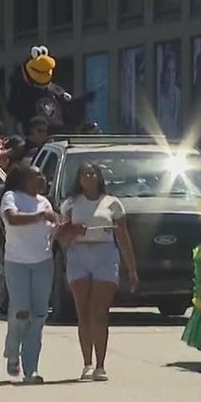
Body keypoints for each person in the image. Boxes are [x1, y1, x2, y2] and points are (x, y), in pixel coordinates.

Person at [59, 163, 138, 382]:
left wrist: (131, 269)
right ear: (78, 179)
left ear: (99, 177)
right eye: (84, 174)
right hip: (79, 254)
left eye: (92, 174)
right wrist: (73, 230)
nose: (89, 177)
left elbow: (123, 237)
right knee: (83, 311)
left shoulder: (112, 203)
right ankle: (87, 363)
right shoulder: (71, 204)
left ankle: (100, 365)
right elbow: (60, 236)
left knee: (99, 312)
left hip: (105, 254)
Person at [0, 164, 58, 383]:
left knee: (39, 315)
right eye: (36, 176)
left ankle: (31, 368)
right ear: (24, 180)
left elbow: (53, 228)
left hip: (43, 261)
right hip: (17, 262)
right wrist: (40, 216)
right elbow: (12, 218)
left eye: (42, 175)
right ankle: (12, 351)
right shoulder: (11, 197)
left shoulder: (45, 202)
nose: (41, 179)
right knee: (21, 311)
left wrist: (60, 226)